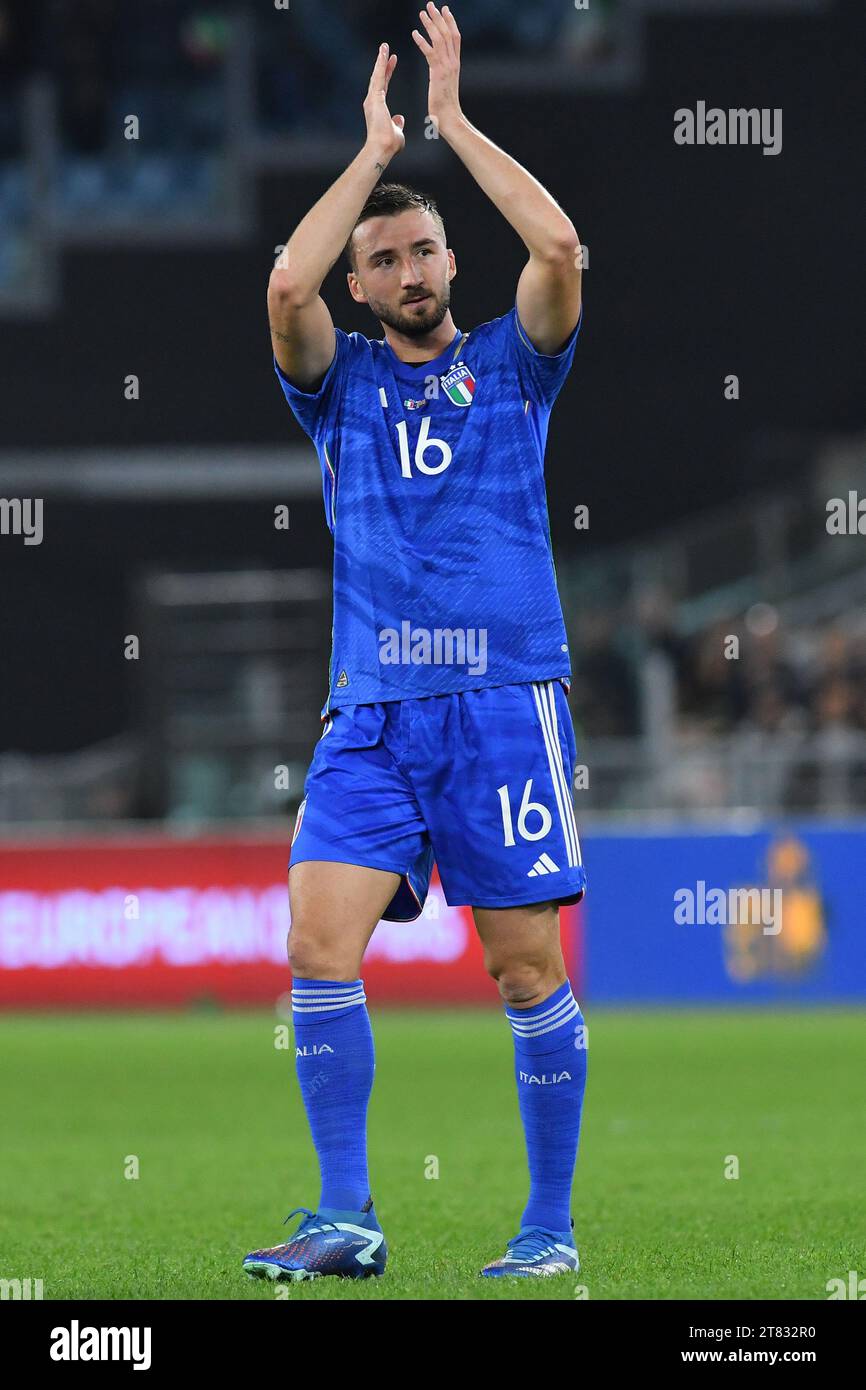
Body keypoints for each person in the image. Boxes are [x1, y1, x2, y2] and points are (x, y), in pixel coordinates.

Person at [244, 3, 587, 1283]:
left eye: (425, 249)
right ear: (362, 285)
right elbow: (284, 282)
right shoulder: (333, 388)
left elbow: (555, 242)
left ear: (452, 259)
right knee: (315, 947)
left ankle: (545, 1230)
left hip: (501, 701)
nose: (410, 272)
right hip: (371, 711)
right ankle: (348, 1217)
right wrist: (372, 149)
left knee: (520, 968)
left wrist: (453, 127)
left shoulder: (513, 368)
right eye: (384, 260)